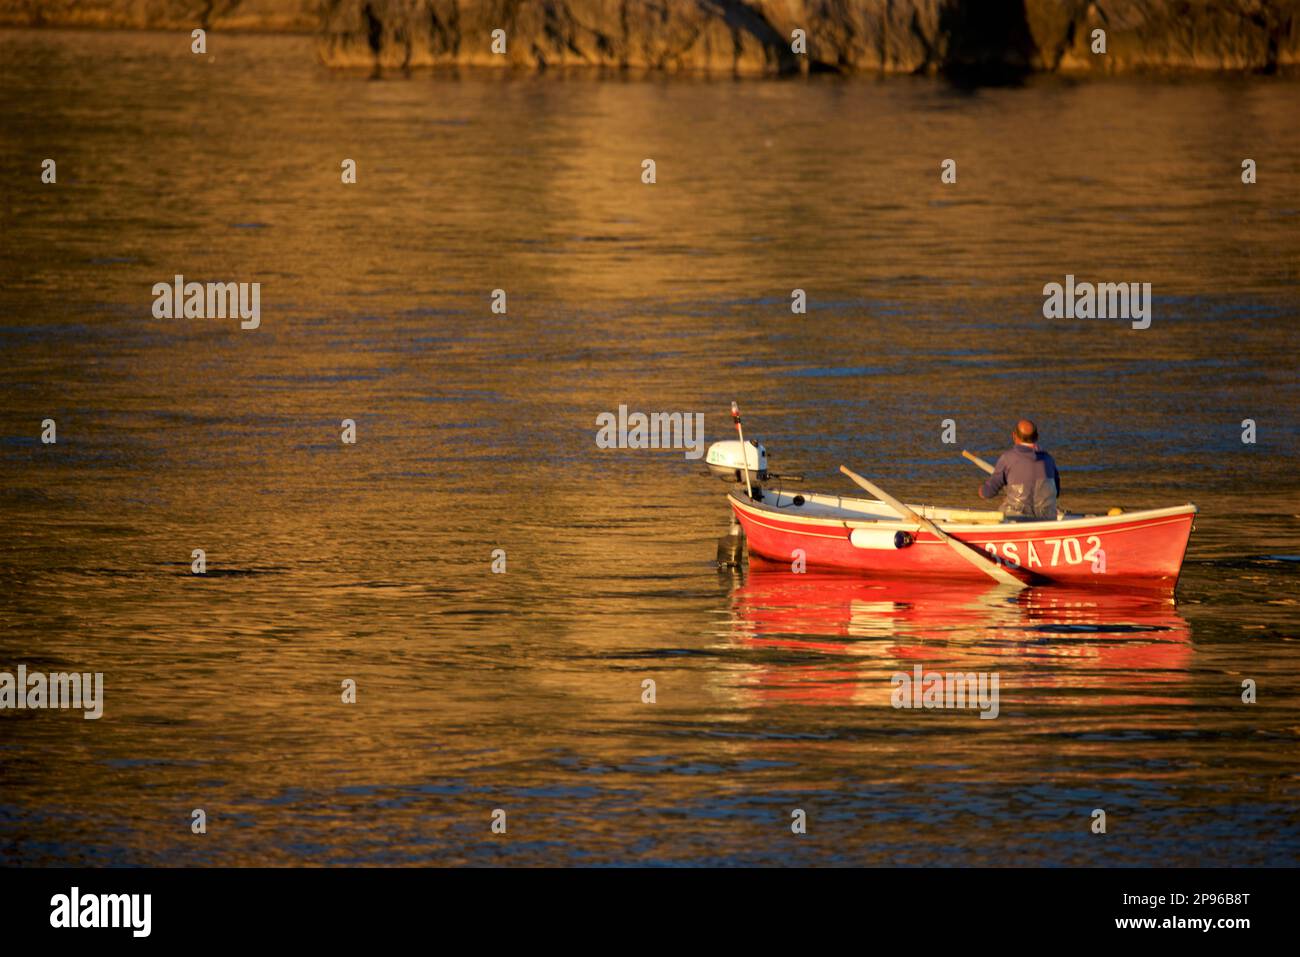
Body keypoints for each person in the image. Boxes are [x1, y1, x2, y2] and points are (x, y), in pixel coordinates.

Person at [979, 420, 1060, 519]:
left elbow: (988, 493)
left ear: (1014, 436)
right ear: (1037, 437)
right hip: (1047, 518)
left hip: (1016, 518)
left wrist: (982, 491)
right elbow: (1056, 492)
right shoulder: (1049, 459)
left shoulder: (1008, 458)